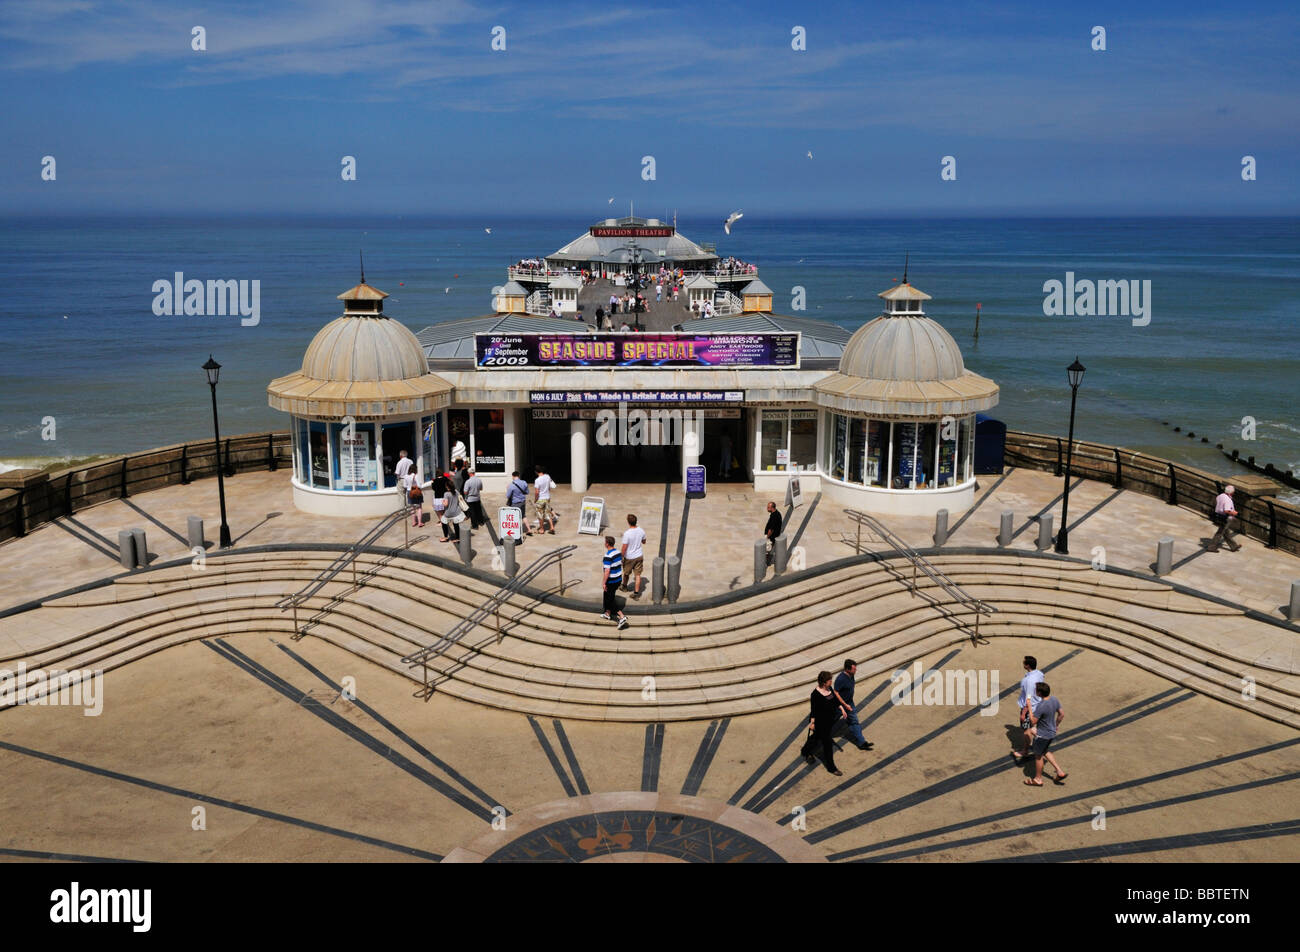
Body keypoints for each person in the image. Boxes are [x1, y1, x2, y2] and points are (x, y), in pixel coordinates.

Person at [799, 671, 845, 776]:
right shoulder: (815, 694)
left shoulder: (829, 689)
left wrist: (841, 708)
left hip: (829, 721)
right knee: (827, 744)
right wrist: (813, 722)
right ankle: (831, 768)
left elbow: (835, 701)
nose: (831, 682)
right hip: (820, 722)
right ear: (824, 682)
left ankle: (805, 751)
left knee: (815, 738)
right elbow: (814, 710)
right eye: (829, 680)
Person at [1022, 681, 1067, 786]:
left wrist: (1029, 706)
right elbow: (1062, 714)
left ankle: (1038, 779)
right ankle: (1059, 771)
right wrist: (1056, 725)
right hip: (1051, 733)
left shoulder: (1041, 705)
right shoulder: (1054, 699)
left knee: (1038, 756)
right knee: (1045, 751)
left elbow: (1033, 721)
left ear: (1039, 693)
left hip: (1042, 735)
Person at [832, 659, 873, 751]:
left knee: (854, 721)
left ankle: (862, 742)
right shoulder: (840, 679)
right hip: (839, 705)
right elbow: (836, 693)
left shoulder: (851, 675)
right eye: (854, 669)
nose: (856, 670)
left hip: (849, 703)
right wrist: (844, 705)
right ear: (847, 669)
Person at [1013, 655, 1046, 759]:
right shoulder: (1039, 674)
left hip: (1030, 709)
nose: (1023, 664)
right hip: (1039, 705)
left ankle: (1025, 750)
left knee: (1027, 731)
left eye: (1024, 663)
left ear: (1027, 665)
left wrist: (1023, 713)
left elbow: (1029, 698)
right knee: (1034, 728)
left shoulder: (1028, 681)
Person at [601, 536, 630, 629]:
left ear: (607, 544)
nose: (604, 543)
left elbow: (607, 571)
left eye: (605, 542)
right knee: (608, 595)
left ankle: (622, 617)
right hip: (618, 579)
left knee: (610, 599)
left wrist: (604, 582)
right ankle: (607, 613)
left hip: (611, 580)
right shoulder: (618, 552)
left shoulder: (607, 556)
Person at [1207, 484, 1242, 552]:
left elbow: (1218, 503)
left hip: (1218, 515)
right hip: (1225, 518)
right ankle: (1211, 547)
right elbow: (1227, 510)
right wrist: (1235, 513)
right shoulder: (1228, 500)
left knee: (1226, 532)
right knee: (1220, 533)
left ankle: (1234, 546)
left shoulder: (1220, 496)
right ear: (1232, 493)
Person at [620, 514, 647, 599]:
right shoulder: (641, 531)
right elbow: (644, 541)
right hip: (639, 555)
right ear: (636, 521)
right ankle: (636, 594)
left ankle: (624, 587)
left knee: (626, 573)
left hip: (629, 557)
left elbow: (624, 548)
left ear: (628, 522)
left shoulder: (627, 534)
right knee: (638, 575)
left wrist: (621, 557)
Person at [506, 470, 532, 536]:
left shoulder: (511, 485)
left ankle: (515, 532)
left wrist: (507, 489)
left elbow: (508, 496)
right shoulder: (524, 482)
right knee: (523, 515)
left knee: (514, 518)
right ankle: (529, 529)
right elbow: (527, 492)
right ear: (518, 475)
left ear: (513, 476)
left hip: (515, 503)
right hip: (523, 502)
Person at [534, 465, 557, 534]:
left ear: (536, 472)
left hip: (540, 499)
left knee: (540, 515)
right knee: (547, 513)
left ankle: (541, 529)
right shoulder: (547, 476)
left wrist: (535, 499)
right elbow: (549, 487)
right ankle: (552, 527)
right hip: (547, 498)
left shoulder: (537, 480)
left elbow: (537, 492)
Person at [430, 474, 451, 541]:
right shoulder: (446, 479)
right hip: (444, 497)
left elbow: (433, 488)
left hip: (438, 498)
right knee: (444, 511)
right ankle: (444, 521)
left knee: (440, 512)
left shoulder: (435, 480)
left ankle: (442, 522)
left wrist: (432, 483)